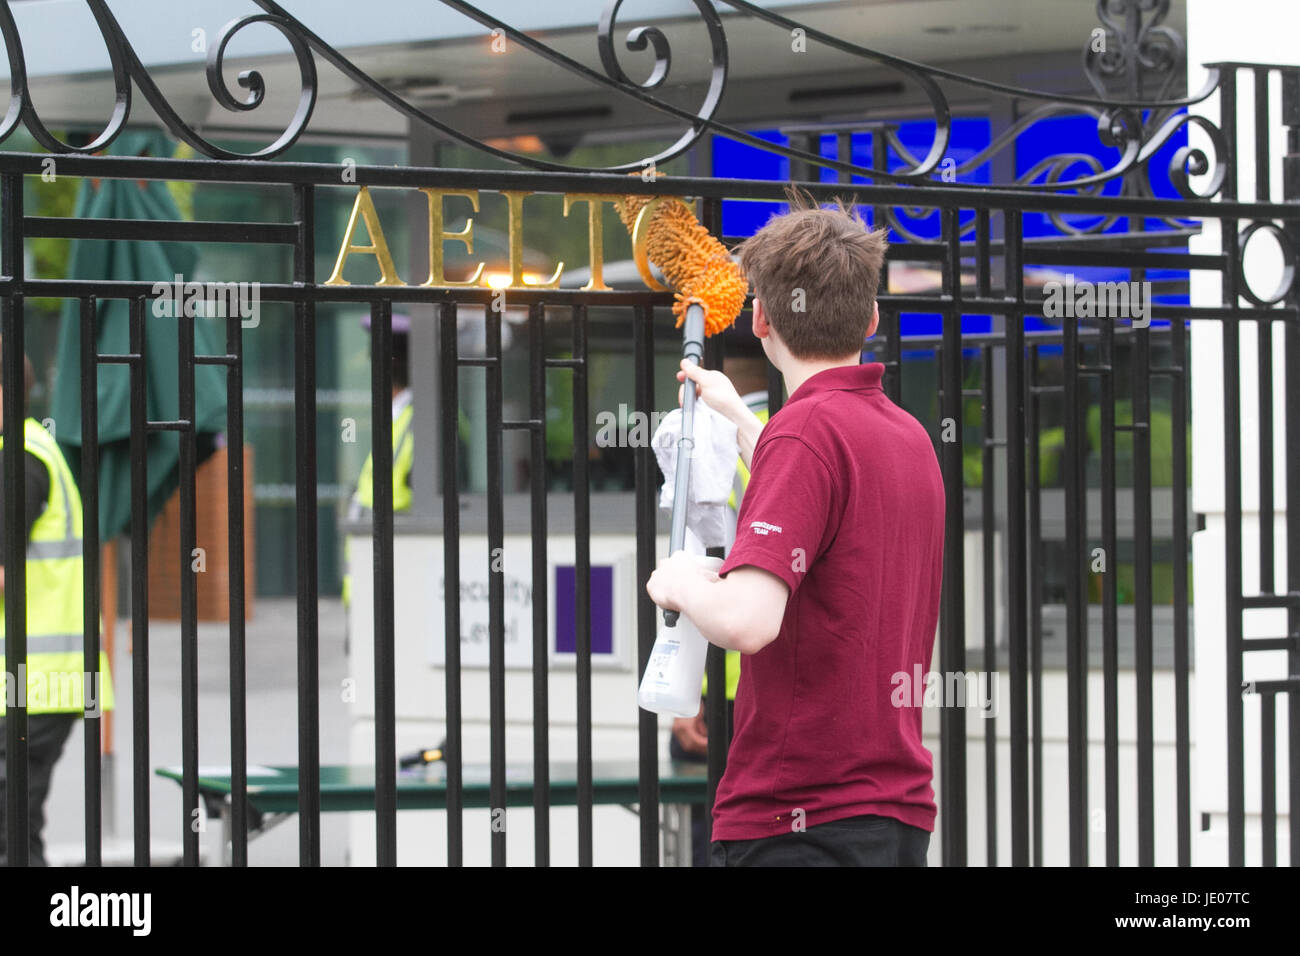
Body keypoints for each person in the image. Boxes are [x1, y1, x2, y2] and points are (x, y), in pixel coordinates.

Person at [645, 191, 945, 867]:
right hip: (892, 816)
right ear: (870, 317)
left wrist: (677, 580)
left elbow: (748, 623)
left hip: (799, 819)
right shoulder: (908, 436)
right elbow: (834, 506)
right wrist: (752, 429)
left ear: (759, 319)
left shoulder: (804, 435)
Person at [0, 342, 113, 866]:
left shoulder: (18, 461)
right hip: (43, 680)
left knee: (10, 829)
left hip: (37, 683)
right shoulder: (30, 449)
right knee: (15, 825)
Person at [667, 350, 768, 868]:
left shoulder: (714, 438)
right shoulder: (800, 430)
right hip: (785, 679)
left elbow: (694, 564)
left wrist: (686, 689)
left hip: (723, 678)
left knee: (719, 835)